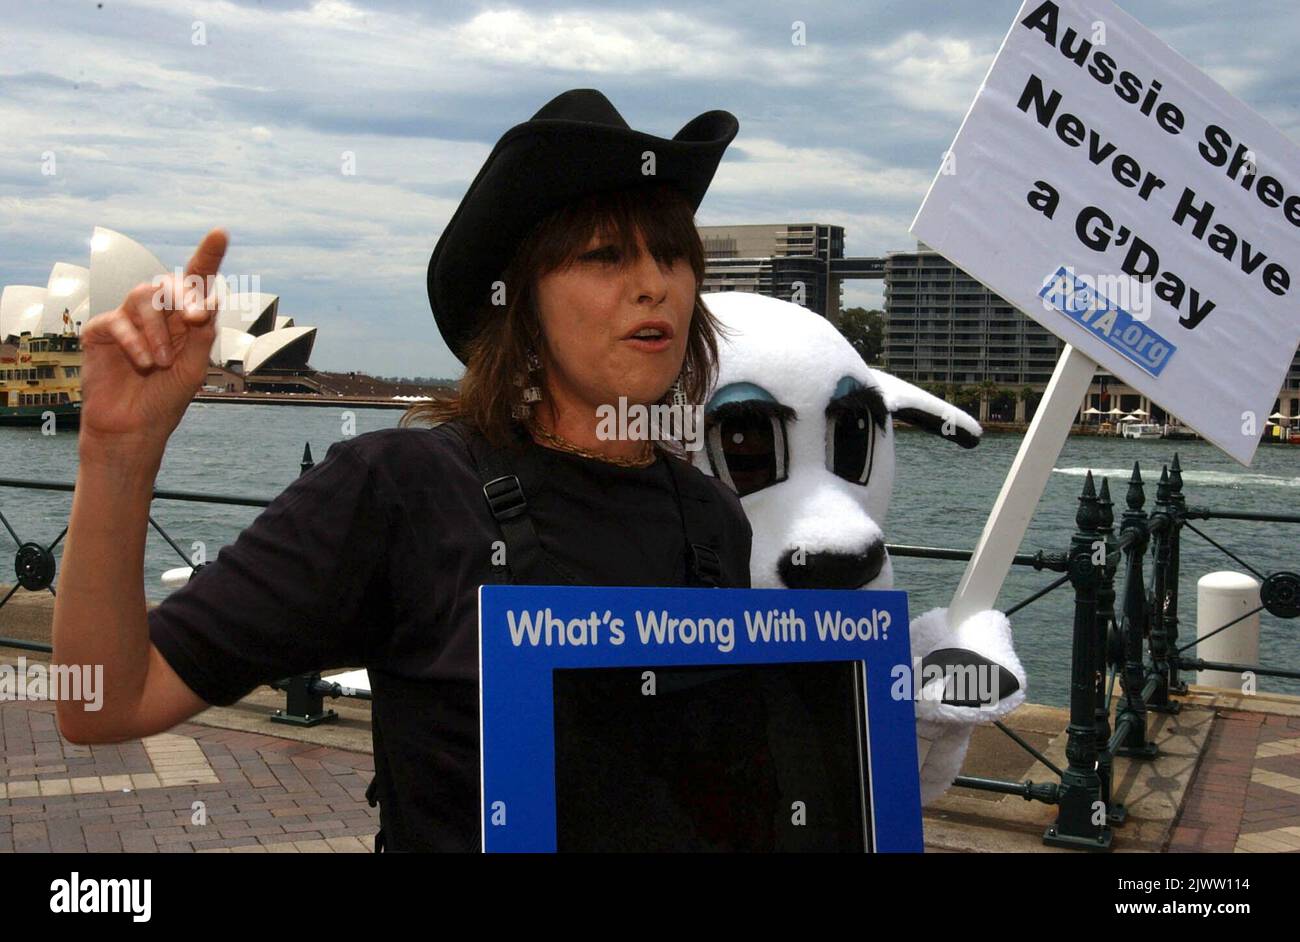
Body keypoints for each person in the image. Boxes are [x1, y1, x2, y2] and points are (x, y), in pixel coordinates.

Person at [50, 88, 750, 852]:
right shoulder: (403, 487)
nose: (654, 284)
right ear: (520, 303)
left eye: (673, 254)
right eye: (605, 255)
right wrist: (118, 452)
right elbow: (106, 705)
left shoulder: (713, 521)